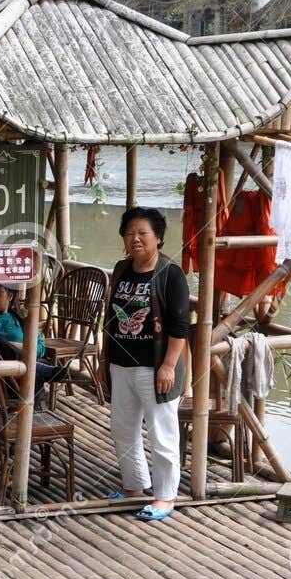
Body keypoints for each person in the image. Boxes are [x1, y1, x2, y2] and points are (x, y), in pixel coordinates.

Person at [99, 206, 190, 522]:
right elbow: (111, 318)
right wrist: (105, 361)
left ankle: (165, 497)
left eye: (142, 233)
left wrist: (168, 366)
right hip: (121, 364)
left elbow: (180, 326)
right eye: (129, 233)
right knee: (123, 429)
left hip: (155, 368)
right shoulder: (121, 269)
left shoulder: (171, 274)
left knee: (162, 433)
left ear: (158, 238)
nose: (135, 239)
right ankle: (135, 487)